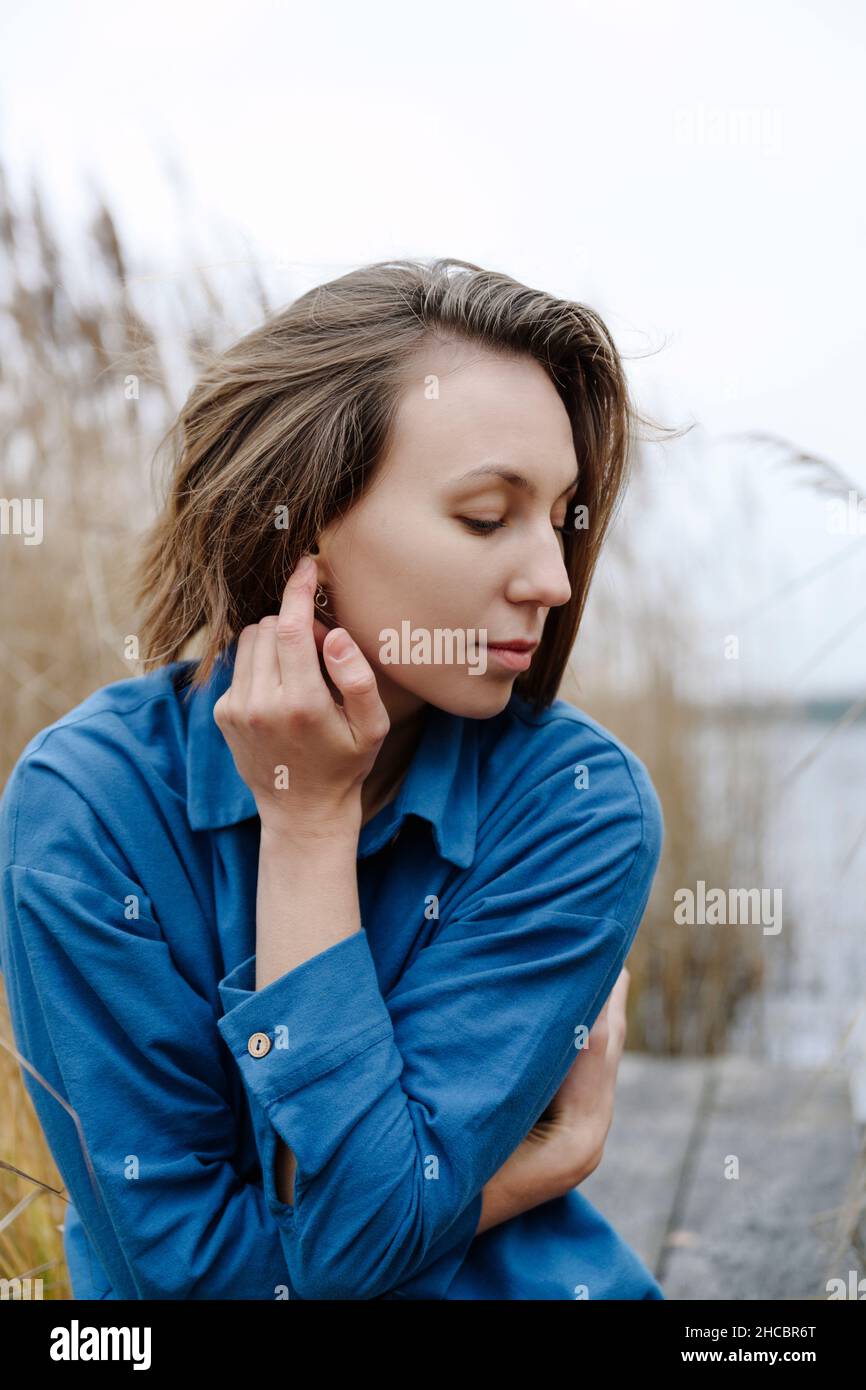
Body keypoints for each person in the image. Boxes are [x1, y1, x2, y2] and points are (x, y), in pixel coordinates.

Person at [0, 257, 665, 1299]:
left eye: (561, 517)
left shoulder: (577, 807)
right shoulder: (87, 810)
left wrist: (308, 830)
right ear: (302, 517)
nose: (549, 577)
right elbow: (188, 1285)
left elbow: (352, 1241)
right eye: (488, 517)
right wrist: (533, 1171)